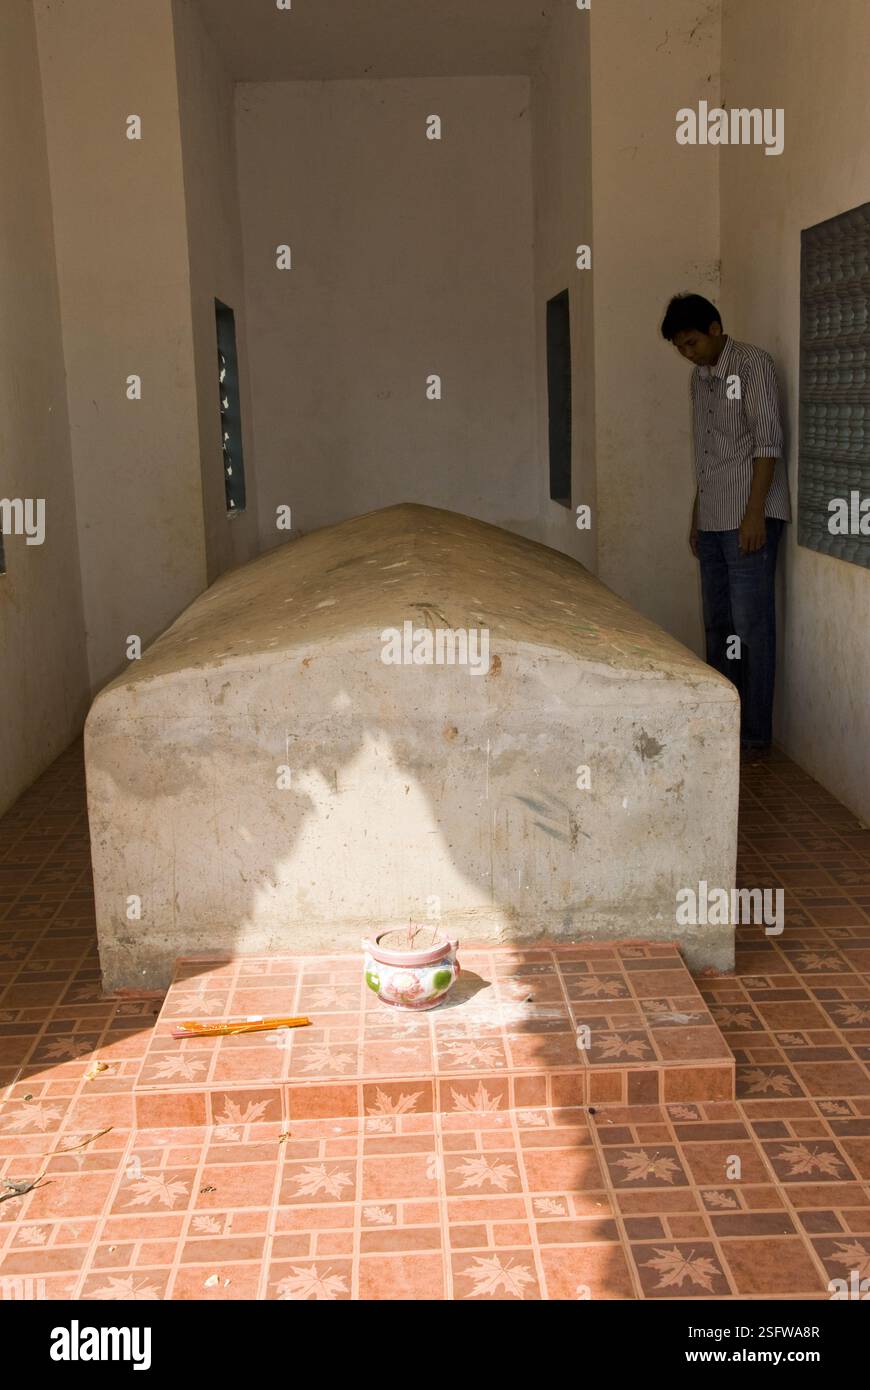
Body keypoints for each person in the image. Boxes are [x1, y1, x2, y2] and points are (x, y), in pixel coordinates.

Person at [661, 293, 790, 760]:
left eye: (691, 342)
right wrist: (698, 512)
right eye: (680, 347)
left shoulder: (753, 364)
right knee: (719, 626)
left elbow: (768, 442)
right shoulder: (700, 380)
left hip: (749, 519)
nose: (687, 353)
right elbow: (707, 453)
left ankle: (754, 735)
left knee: (751, 626)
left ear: (715, 328)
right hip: (714, 518)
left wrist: (754, 513)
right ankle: (723, 726)